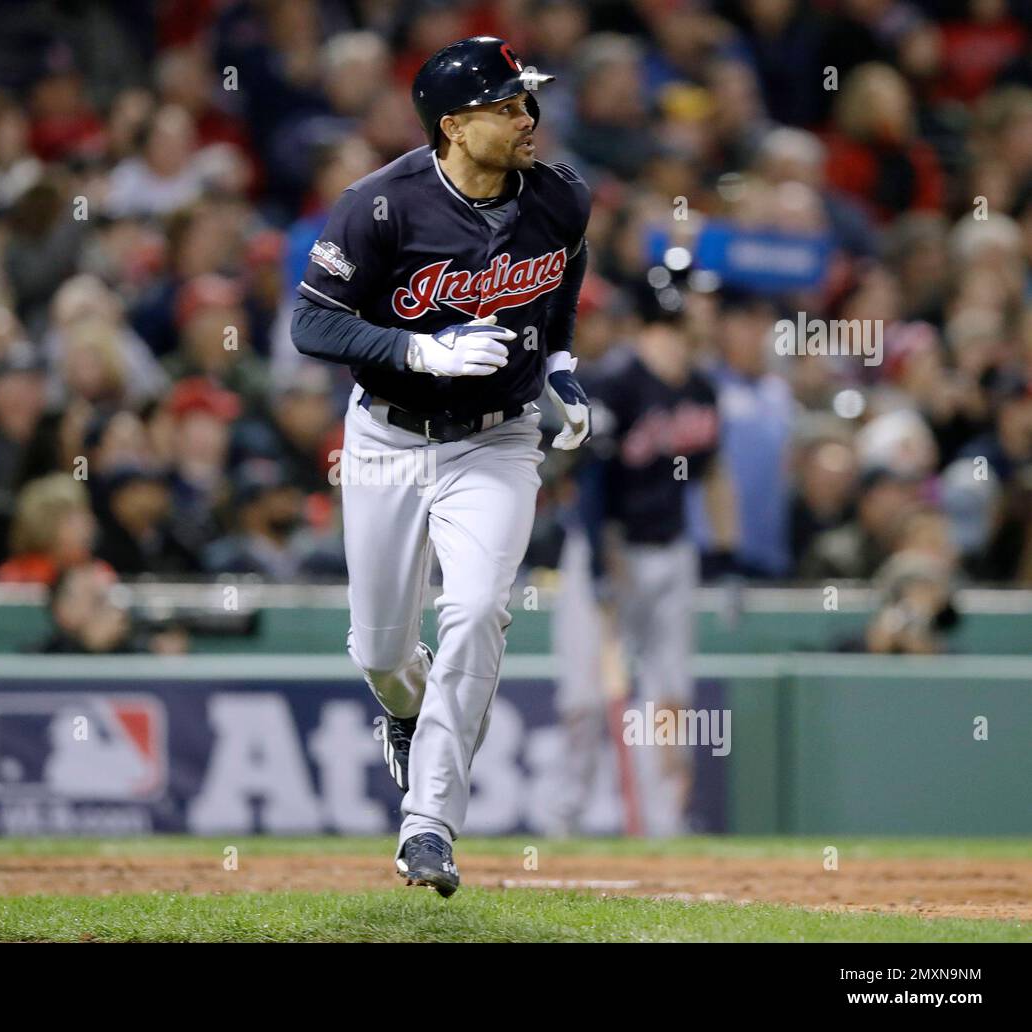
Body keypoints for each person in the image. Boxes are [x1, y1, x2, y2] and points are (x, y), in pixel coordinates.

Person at [290, 37, 591, 896]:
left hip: (498, 440)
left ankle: (429, 824)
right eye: (506, 105)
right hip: (388, 436)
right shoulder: (380, 206)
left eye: (526, 101)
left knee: (478, 609)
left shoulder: (560, 197)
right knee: (383, 649)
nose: (527, 117)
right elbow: (312, 325)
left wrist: (561, 367)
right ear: (454, 125)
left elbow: (564, 283)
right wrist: (418, 352)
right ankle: (405, 709)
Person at [553, 268, 738, 838]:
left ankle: (665, 823)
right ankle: (566, 818)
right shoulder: (616, 383)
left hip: (671, 552)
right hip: (609, 552)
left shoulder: (702, 389)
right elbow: (589, 483)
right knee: (585, 697)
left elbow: (713, 476)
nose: (708, 312)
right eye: (697, 303)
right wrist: (601, 564)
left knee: (672, 695)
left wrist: (726, 561)